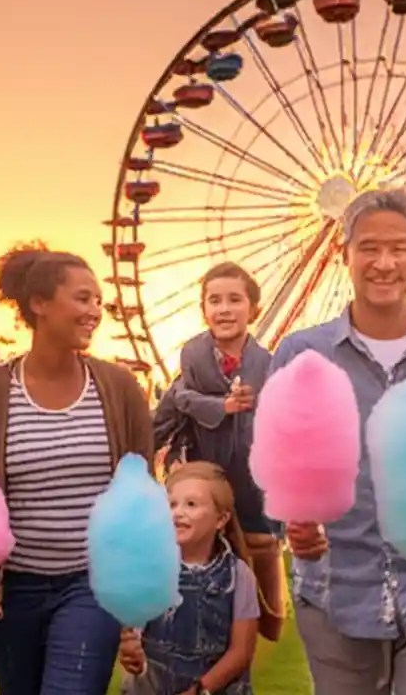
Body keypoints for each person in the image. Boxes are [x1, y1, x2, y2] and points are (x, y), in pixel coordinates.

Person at [267, 188, 406, 694]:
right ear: (343, 254)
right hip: (334, 596)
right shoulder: (300, 354)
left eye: (399, 248)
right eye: (368, 248)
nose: (384, 263)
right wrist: (292, 520)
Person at [0, 243, 155, 695]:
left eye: (99, 301)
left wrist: (137, 602)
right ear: (39, 304)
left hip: (92, 583)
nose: (95, 311)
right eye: (83, 298)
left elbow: (145, 498)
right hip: (14, 591)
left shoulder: (120, 389)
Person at [152, 261, 286, 641]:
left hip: (255, 494)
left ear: (253, 310)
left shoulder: (271, 366)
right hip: (202, 490)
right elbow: (166, 416)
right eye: (214, 300)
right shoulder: (190, 365)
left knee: (256, 601)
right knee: (198, 595)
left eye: (234, 300)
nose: (224, 309)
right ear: (204, 309)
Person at [118, 461, 261, 695]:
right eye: (171, 504)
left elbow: (241, 652)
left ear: (220, 519)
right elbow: (133, 631)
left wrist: (200, 690)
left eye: (191, 504)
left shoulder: (238, 576)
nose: (177, 513)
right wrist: (130, 649)